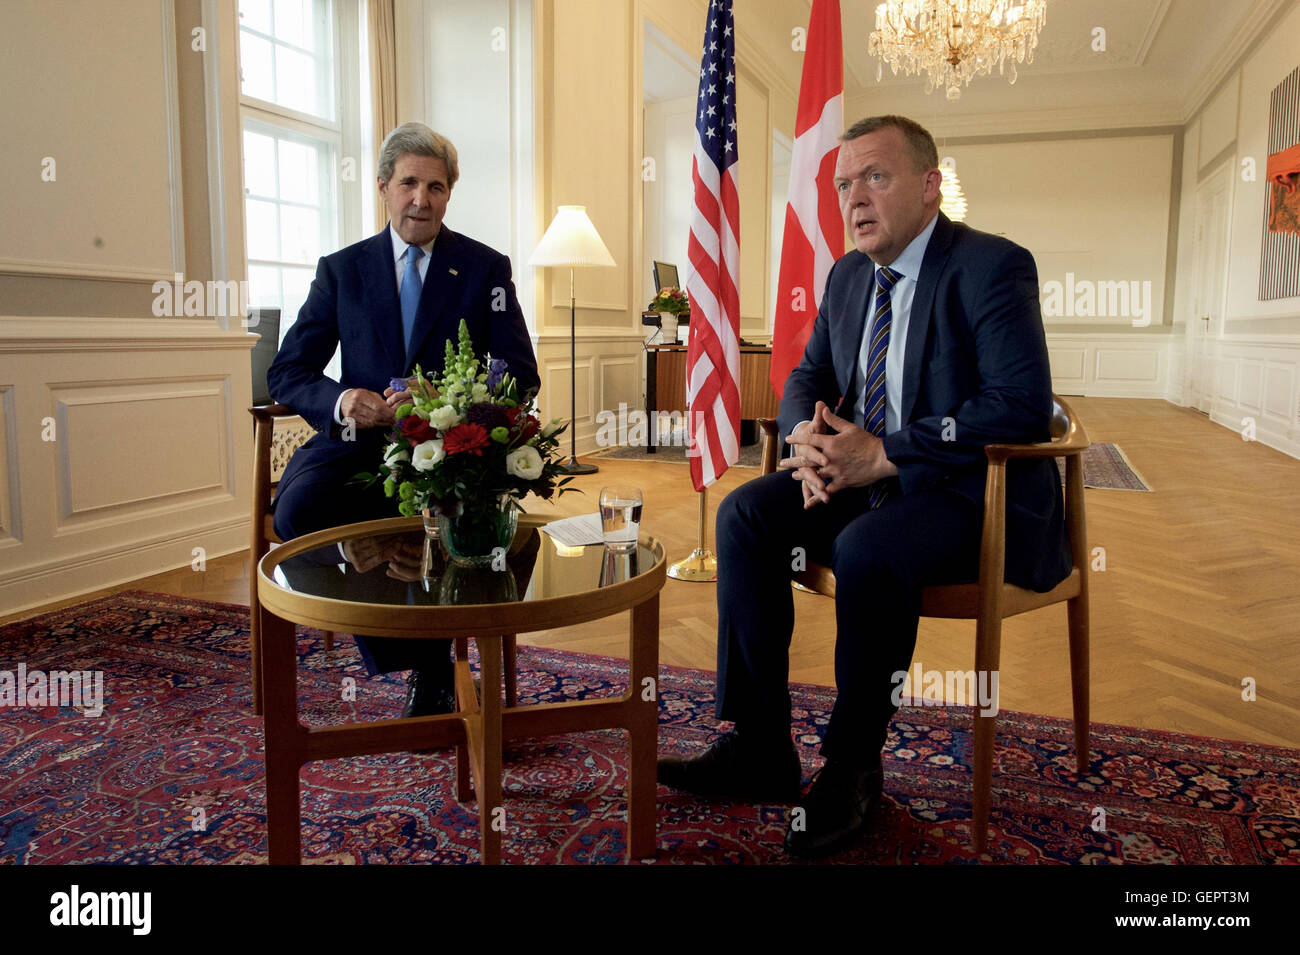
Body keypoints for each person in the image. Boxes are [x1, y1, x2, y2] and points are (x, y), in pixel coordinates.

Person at [656, 115, 1072, 857]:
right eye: (844, 183)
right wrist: (806, 440)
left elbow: (1021, 404)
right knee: (748, 513)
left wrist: (886, 454)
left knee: (869, 547)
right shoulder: (848, 275)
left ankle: (852, 766)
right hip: (858, 478)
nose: (855, 198)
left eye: (874, 177)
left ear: (928, 186)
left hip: (968, 493)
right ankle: (760, 743)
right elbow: (806, 376)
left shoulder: (993, 266)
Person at [268, 122, 539, 718]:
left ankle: (435, 669)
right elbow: (289, 370)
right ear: (384, 186)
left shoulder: (485, 268)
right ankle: (393, 621)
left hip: (451, 445)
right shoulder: (342, 271)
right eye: (410, 183)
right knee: (298, 512)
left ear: (449, 193)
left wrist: (451, 396)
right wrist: (344, 401)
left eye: (436, 186)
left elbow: (519, 370)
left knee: (469, 529)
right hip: (359, 441)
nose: (423, 199)